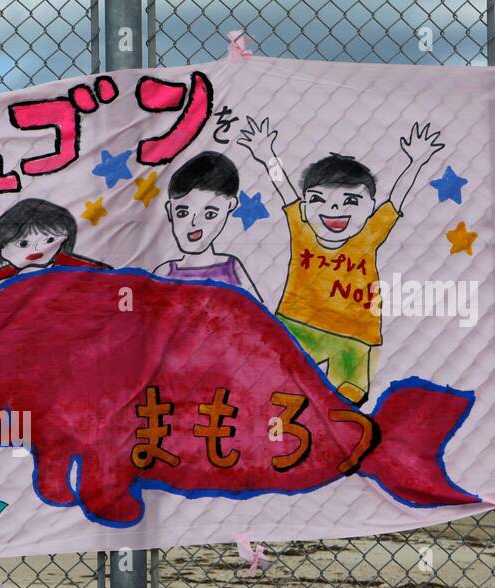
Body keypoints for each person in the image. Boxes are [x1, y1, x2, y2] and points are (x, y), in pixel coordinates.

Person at [238, 117, 444, 404]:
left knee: (349, 399)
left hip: (356, 335)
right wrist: (267, 156)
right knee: (279, 383)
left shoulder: (369, 234)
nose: (334, 208)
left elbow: (396, 199)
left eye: (350, 201)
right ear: (306, 206)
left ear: (370, 208)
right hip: (299, 323)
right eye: (319, 200)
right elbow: (283, 185)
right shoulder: (302, 227)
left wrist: (415, 164)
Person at [154, 150, 261, 299]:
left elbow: (258, 314)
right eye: (183, 213)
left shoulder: (233, 269)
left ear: (230, 206)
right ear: (169, 209)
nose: (194, 223)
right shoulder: (165, 271)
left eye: (210, 214)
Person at [0, 197, 110, 295]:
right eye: (23, 243)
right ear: (1, 247)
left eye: (50, 241)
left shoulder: (76, 267)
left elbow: (108, 276)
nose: (37, 250)